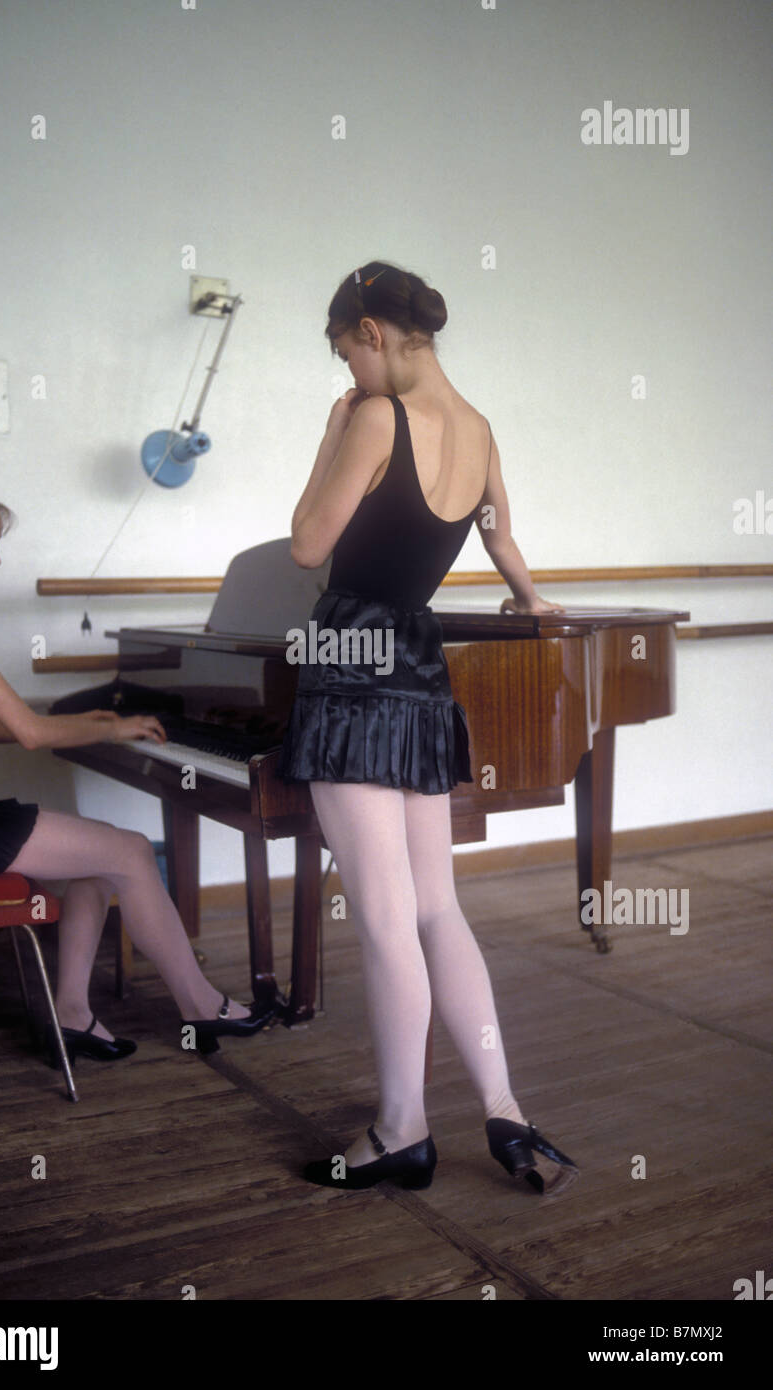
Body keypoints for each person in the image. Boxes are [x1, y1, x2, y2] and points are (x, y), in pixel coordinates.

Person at [278, 261, 579, 1194]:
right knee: (435, 906)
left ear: (371, 332)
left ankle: (401, 1132)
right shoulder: (482, 430)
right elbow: (498, 536)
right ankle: (508, 1115)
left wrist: (333, 433)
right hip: (416, 664)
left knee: (381, 918)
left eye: (345, 352)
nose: (349, 374)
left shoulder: (374, 418)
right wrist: (532, 599)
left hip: (350, 658)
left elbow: (306, 546)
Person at [0, 482, 275, 1063]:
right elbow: (29, 734)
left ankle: (73, 1014)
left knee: (98, 862)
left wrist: (89, 718)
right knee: (128, 851)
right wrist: (112, 728)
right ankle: (202, 1008)